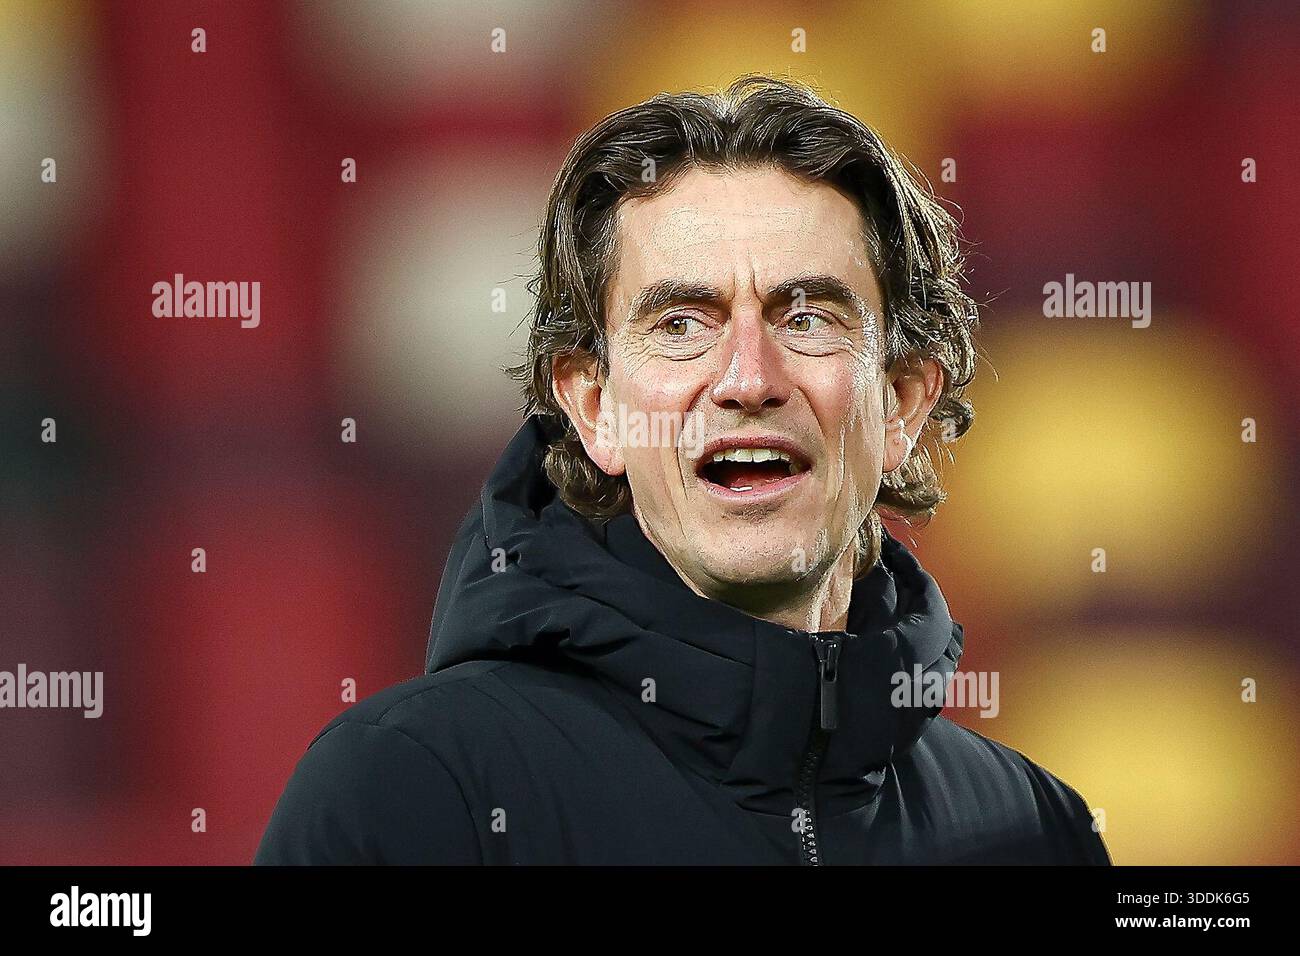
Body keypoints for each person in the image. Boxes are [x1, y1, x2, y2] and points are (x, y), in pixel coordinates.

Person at [255, 74, 1111, 865]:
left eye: (807, 315)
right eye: (680, 324)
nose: (748, 379)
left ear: (903, 401)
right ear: (592, 408)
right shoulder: (413, 795)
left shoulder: (1033, 831)